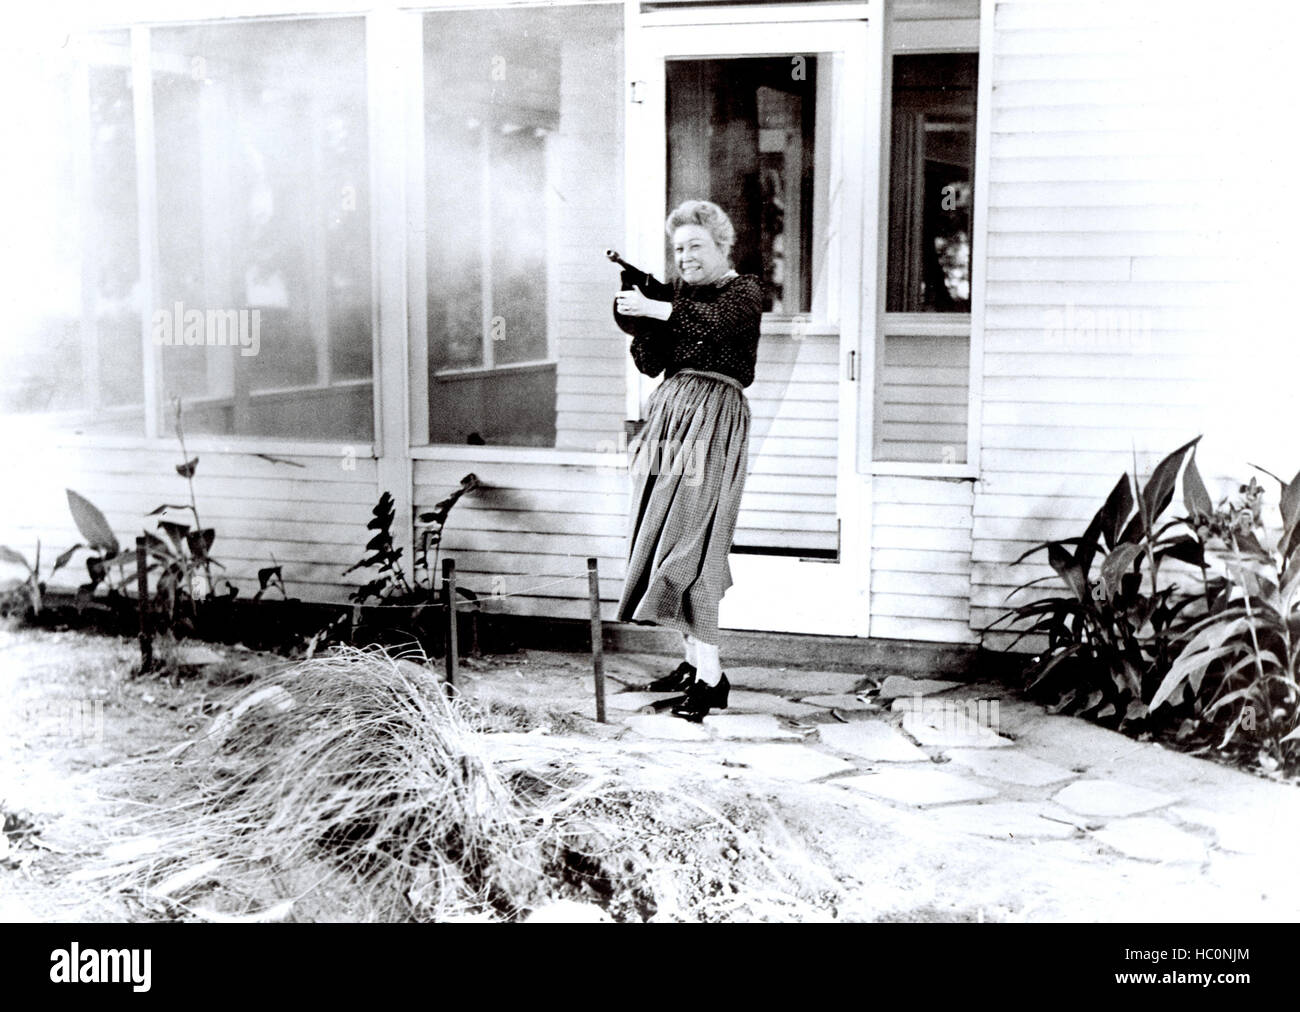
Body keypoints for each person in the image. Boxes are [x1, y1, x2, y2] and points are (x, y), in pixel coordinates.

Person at [612, 199, 762, 722]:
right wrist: (639, 319)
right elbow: (653, 363)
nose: (686, 257)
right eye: (678, 249)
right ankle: (692, 663)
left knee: (691, 541)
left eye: (696, 245)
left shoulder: (743, 291)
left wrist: (660, 309)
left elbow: (718, 327)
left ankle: (713, 678)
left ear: (722, 246)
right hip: (669, 414)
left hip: (713, 417)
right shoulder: (678, 297)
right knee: (659, 535)